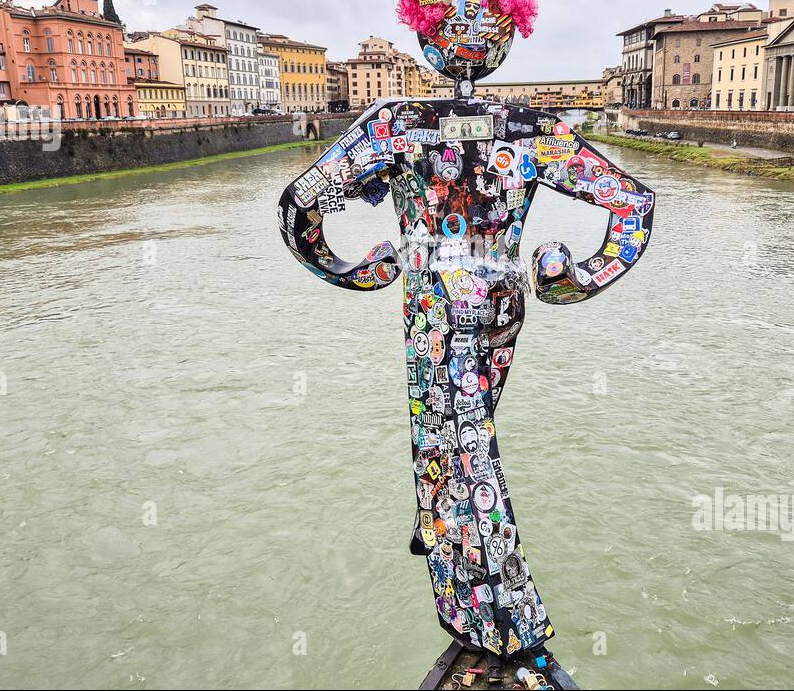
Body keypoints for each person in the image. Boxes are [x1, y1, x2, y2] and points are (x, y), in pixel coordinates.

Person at [277, 95, 655, 656]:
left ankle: (502, 622)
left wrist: (356, 268)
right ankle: (439, 533)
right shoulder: (530, 125)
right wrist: (570, 274)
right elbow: (633, 203)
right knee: (465, 441)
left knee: (459, 445)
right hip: (504, 303)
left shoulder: (398, 123)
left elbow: (299, 205)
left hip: (436, 306)